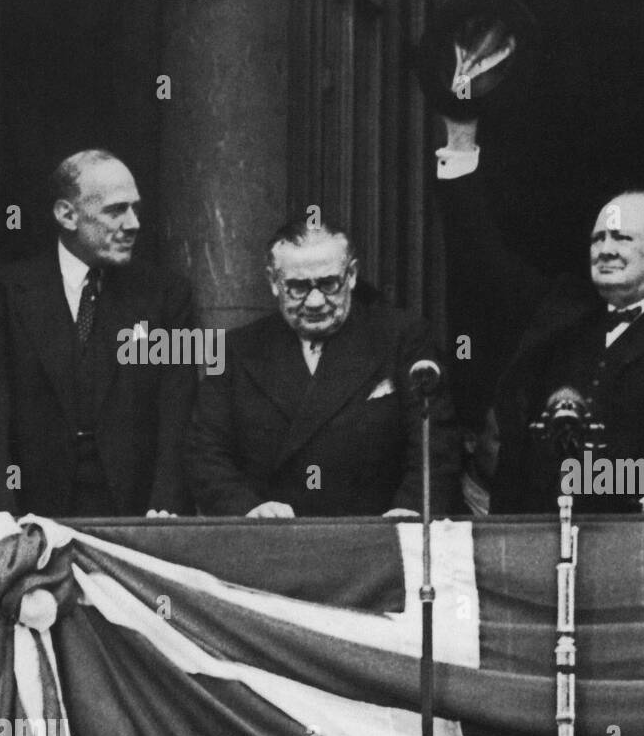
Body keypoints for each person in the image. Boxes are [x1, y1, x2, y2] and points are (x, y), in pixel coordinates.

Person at [435, 116, 644, 514]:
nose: (606, 249)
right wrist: (459, 145)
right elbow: (482, 259)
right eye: (599, 238)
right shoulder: (561, 311)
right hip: (546, 525)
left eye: (622, 238)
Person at [0, 149, 197, 517]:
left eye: (136, 208)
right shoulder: (0, 295)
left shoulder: (169, 297)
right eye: (115, 210)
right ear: (67, 214)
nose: (134, 223)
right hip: (30, 512)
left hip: (137, 515)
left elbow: (178, 407)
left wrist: (167, 507)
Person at [185, 219, 460, 517]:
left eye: (329, 284)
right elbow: (206, 454)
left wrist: (410, 510)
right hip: (270, 542)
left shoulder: (402, 338)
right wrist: (249, 510)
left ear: (351, 275)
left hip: (377, 540)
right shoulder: (233, 351)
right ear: (273, 282)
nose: (315, 301)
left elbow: (435, 443)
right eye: (298, 287)